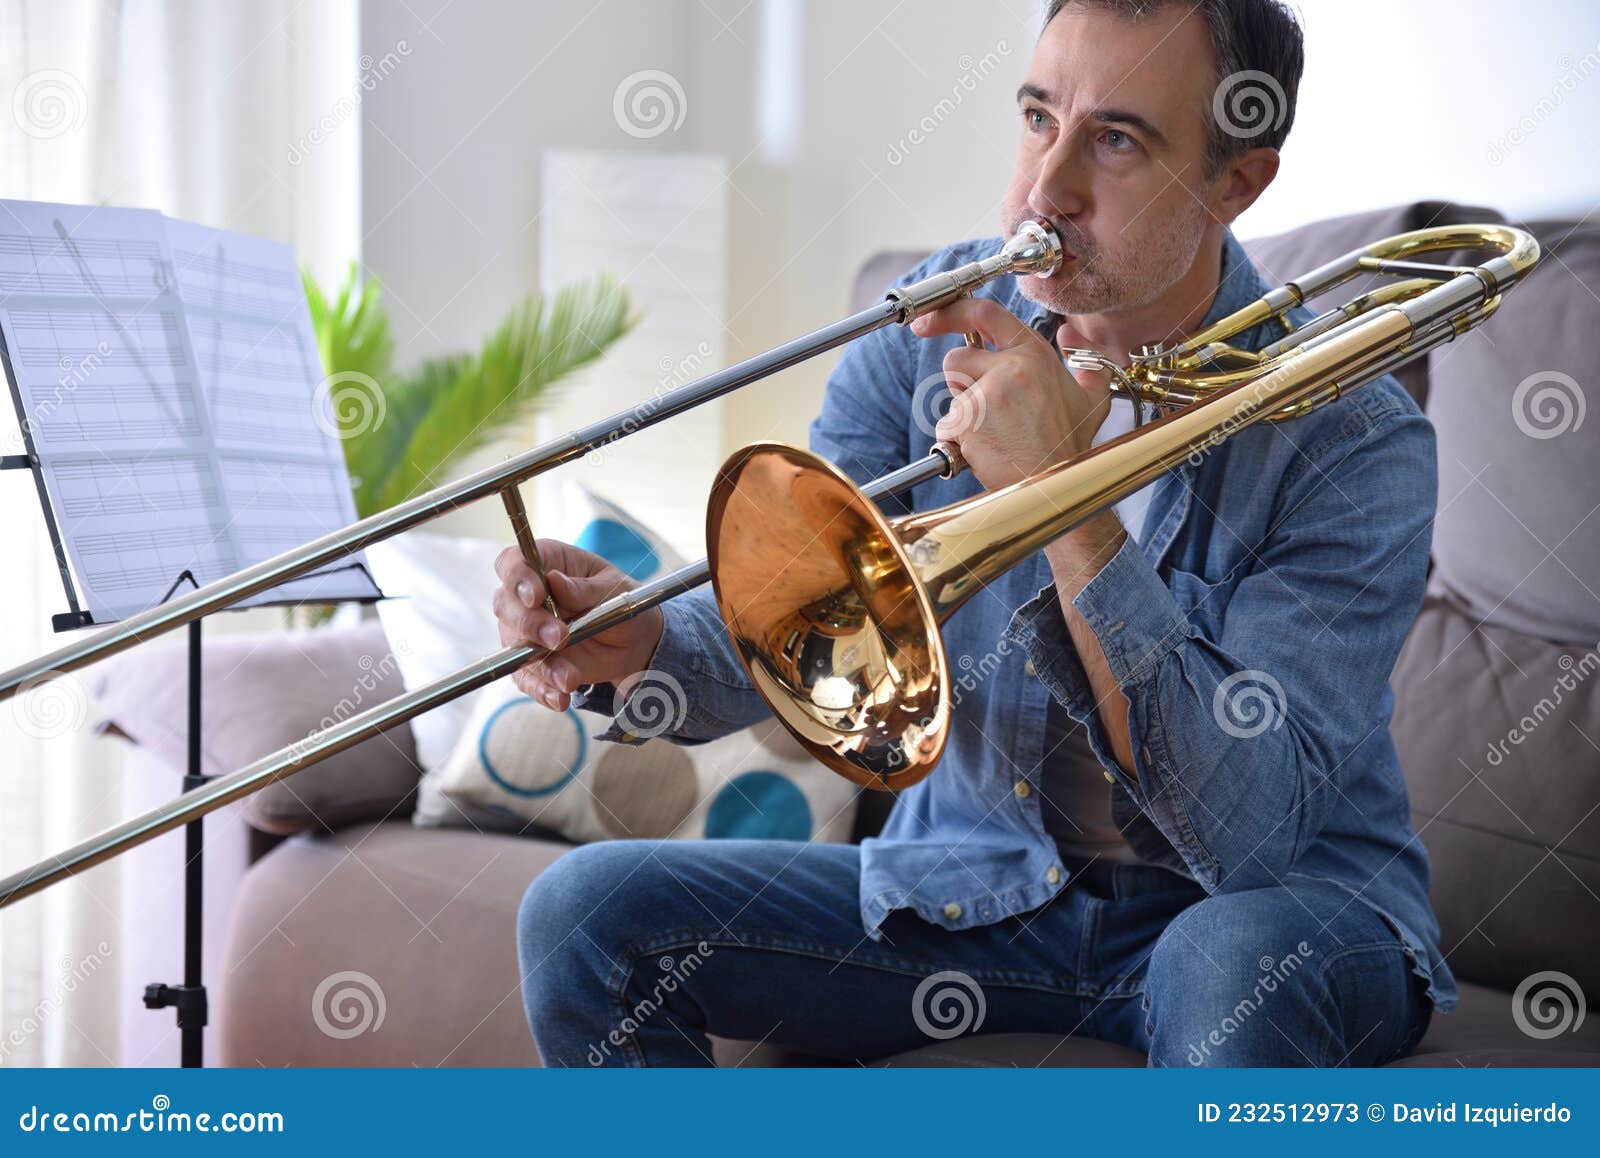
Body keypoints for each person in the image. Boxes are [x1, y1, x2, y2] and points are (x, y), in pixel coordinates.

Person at [495, 0, 1446, 1067]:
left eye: (1117, 141)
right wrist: (641, 647)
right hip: (974, 889)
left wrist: (1062, 494)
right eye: (1039, 117)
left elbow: (1244, 839)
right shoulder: (924, 331)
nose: (1046, 190)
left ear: (1236, 182)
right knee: (583, 915)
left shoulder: (1356, 436)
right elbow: (800, 634)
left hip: (1272, 915)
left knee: (1220, 962)